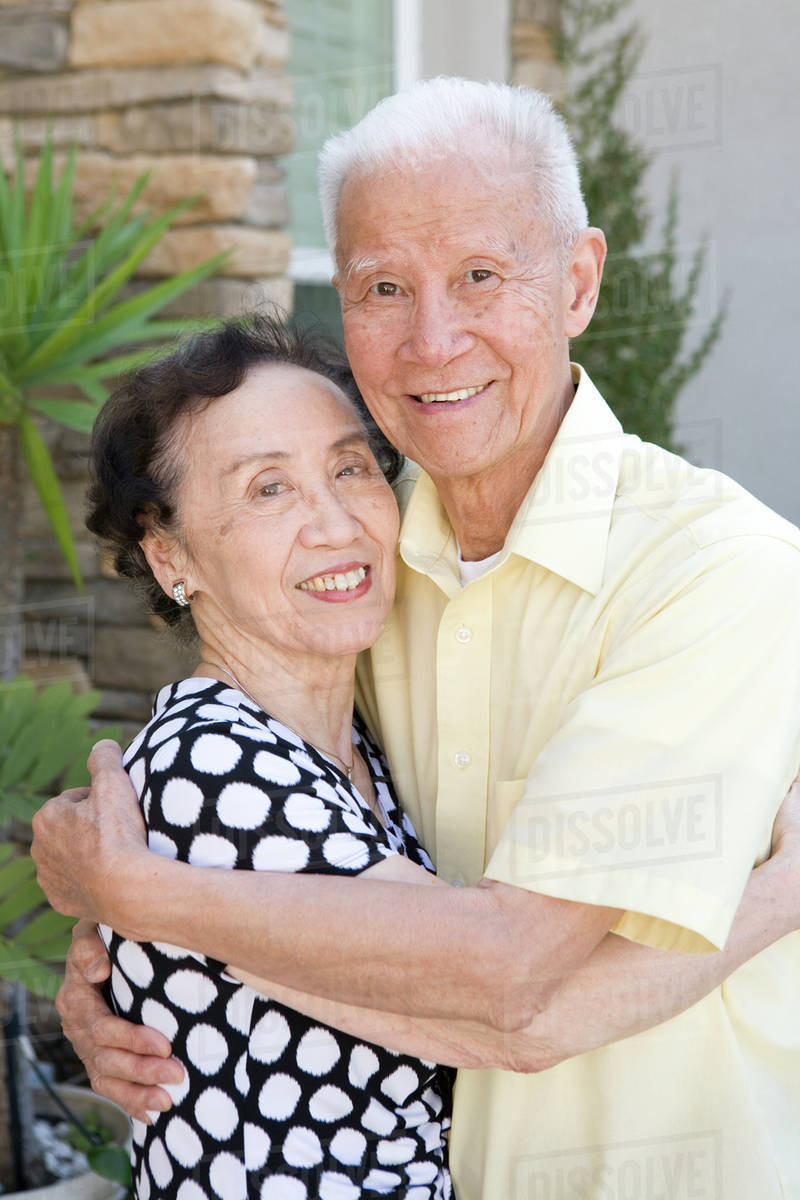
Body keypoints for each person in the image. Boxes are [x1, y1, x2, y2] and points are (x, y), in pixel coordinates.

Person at [33, 79, 800, 1200]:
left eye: (481, 275)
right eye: (384, 287)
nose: (434, 342)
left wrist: (136, 903)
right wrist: (126, 940)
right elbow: (441, 960)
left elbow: (499, 977)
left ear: (578, 281)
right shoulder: (368, 577)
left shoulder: (712, 570)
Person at [72, 313, 457, 1198]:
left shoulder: (355, 740)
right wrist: (767, 903)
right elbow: (510, 1004)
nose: (335, 523)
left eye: (350, 468)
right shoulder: (214, 769)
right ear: (169, 556)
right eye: (269, 489)